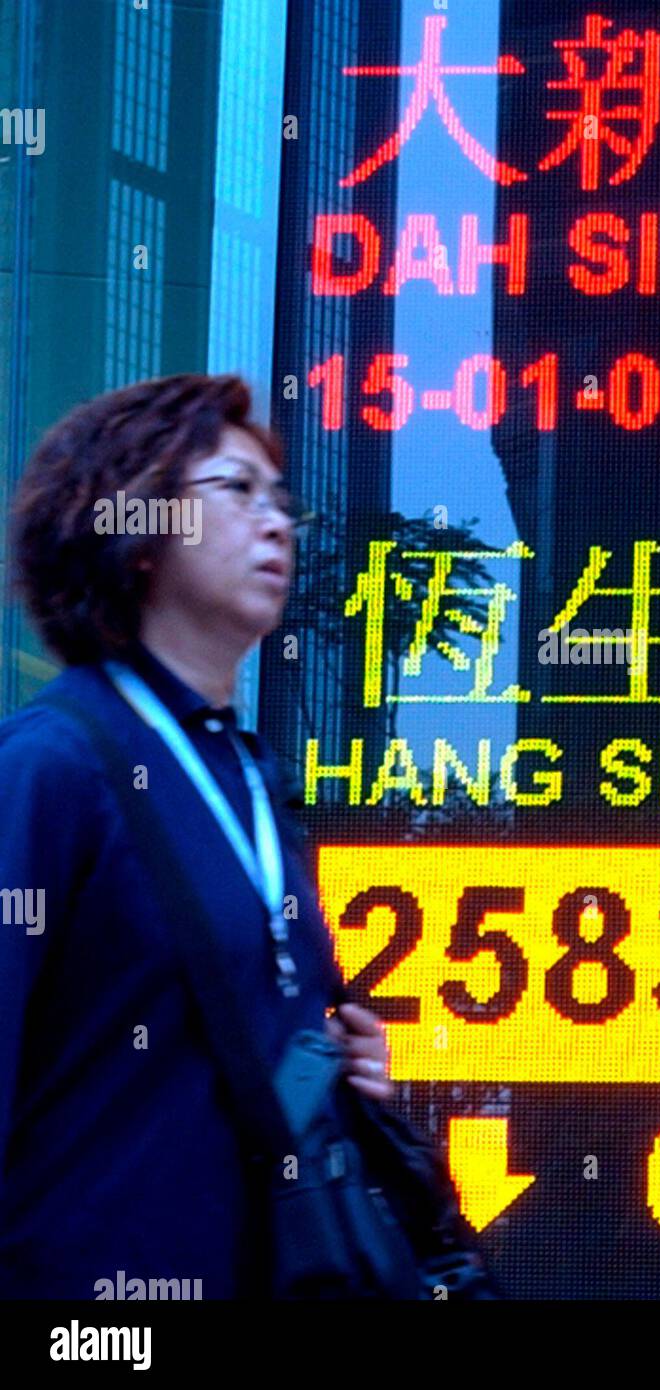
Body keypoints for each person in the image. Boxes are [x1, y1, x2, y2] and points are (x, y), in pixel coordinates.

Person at [0, 373, 400, 1298]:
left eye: (281, 500)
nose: (277, 524)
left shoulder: (255, 786)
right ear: (138, 530)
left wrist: (333, 1066)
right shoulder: (50, 769)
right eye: (235, 491)